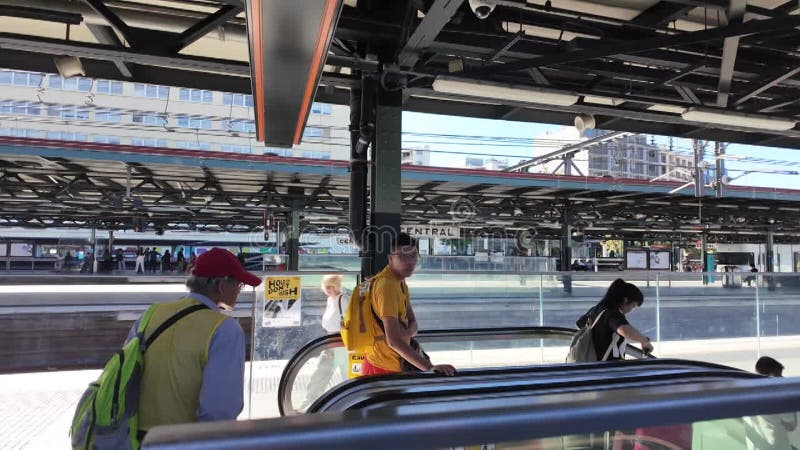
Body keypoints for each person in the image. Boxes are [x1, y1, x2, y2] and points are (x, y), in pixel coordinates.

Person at [124, 247, 262, 436]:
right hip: (184, 440)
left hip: (136, 438)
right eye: (239, 284)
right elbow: (219, 411)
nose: (240, 290)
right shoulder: (225, 330)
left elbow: (127, 374)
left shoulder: (151, 314)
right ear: (221, 286)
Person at [362, 232, 456, 376]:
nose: (410, 262)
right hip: (382, 368)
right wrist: (429, 367)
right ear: (390, 258)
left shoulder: (400, 283)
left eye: (413, 256)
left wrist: (406, 333)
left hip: (393, 363)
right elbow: (393, 341)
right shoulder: (386, 286)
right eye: (403, 256)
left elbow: (413, 323)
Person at [300, 275, 350, 410]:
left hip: (341, 343)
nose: (328, 289)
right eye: (326, 286)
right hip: (330, 343)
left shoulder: (343, 300)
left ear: (337, 286)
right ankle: (309, 405)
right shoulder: (330, 300)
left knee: (345, 376)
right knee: (320, 375)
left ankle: (350, 404)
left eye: (331, 286)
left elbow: (350, 322)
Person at [575, 279, 654, 361]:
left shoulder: (595, 310)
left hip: (592, 364)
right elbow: (624, 330)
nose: (631, 310)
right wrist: (644, 340)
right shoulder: (612, 313)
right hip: (608, 367)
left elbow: (579, 325)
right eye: (633, 306)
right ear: (625, 300)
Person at [744, 357, 797, 450]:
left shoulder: (745, 393)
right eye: (779, 375)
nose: (782, 378)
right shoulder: (777, 396)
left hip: (756, 445)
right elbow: (791, 426)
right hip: (777, 446)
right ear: (772, 375)